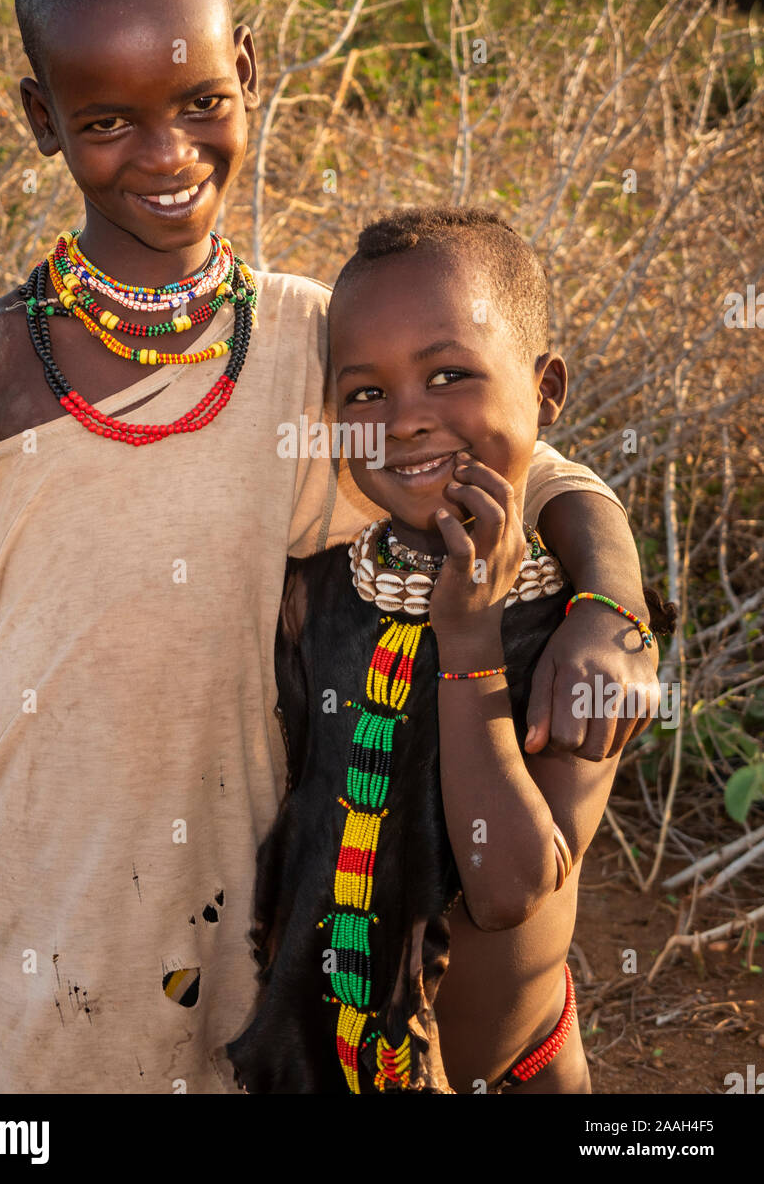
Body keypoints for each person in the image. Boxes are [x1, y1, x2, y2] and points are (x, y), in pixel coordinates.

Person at [0, 0, 658, 1094]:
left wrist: (605, 608)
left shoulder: (312, 346)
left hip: (235, 919)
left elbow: (539, 465)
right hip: (38, 914)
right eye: (105, 120)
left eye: (202, 102)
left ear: (249, 70)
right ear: (40, 119)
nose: (164, 154)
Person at [227, 207, 674, 1094]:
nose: (406, 420)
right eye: (365, 394)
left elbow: (508, 889)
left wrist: (469, 643)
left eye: (448, 375)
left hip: (512, 1074)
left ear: (545, 393)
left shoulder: (573, 641)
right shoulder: (315, 598)